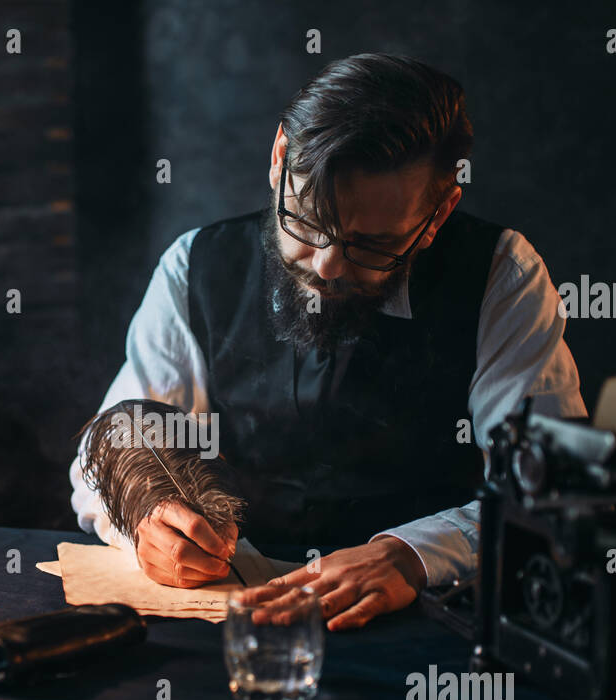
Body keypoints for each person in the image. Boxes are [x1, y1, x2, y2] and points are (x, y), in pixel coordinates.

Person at [70, 53, 585, 631]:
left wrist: (414, 555)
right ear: (279, 159)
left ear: (438, 214)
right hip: (234, 617)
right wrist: (146, 520)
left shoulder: (500, 276)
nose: (328, 265)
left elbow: (551, 494)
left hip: (431, 623)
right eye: (308, 223)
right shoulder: (196, 265)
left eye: (373, 245)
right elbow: (101, 459)